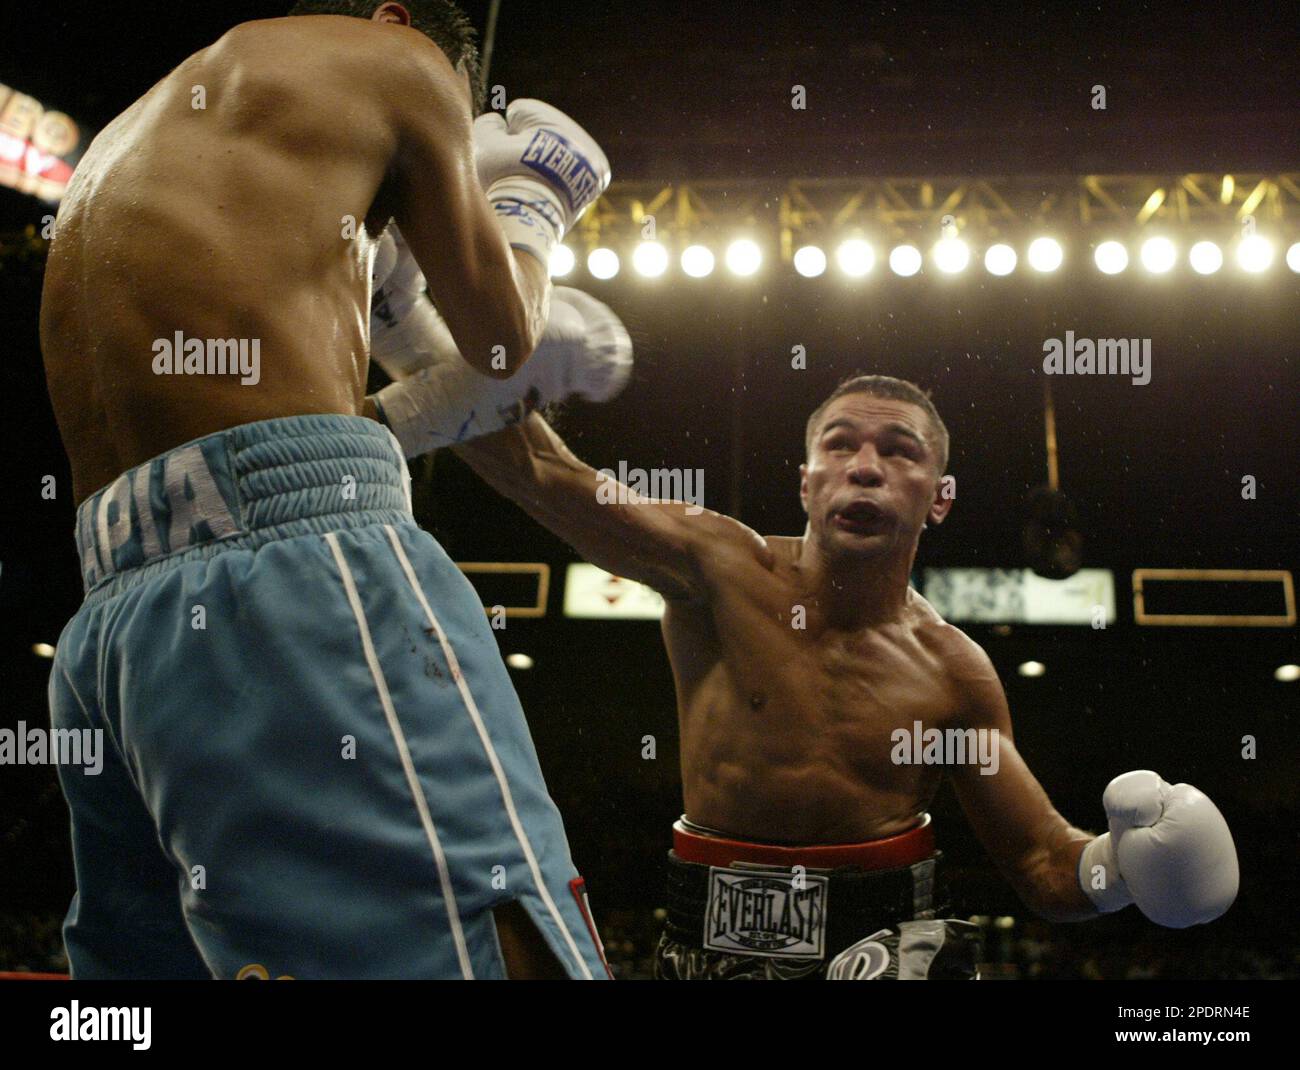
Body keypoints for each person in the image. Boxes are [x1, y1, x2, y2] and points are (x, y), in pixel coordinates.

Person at [39, 0, 623, 979]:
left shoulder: (136, 136)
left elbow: (307, 415)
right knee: (485, 941)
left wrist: (397, 331)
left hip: (110, 625)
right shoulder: (396, 56)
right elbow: (499, 338)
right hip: (301, 571)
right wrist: (533, 206)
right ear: (403, 22)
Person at [446, 373, 1240, 979]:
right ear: (805, 481)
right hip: (705, 941)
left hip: (887, 944)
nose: (865, 467)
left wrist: (1124, 872)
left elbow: (1040, 863)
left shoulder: (953, 675)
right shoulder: (720, 569)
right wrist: (442, 350)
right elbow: (544, 476)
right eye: (839, 445)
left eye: (899, 451)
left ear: (939, 497)